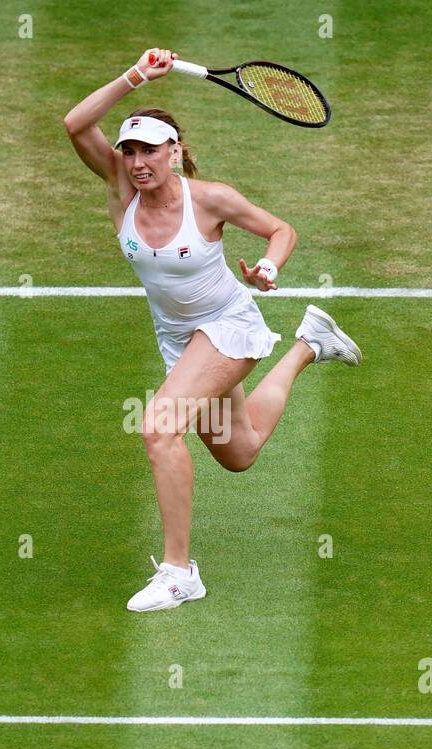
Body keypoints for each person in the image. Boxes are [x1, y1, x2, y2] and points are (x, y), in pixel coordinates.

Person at [63, 47, 361, 612]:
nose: (136, 162)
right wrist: (134, 76)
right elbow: (75, 124)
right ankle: (309, 344)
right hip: (180, 340)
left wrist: (269, 267)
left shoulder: (211, 200)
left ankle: (179, 573)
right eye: (128, 151)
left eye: (149, 149)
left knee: (158, 428)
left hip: (227, 326)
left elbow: (280, 230)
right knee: (240, 451)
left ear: (174, 152)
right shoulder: (121, 189)